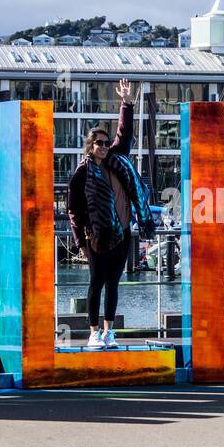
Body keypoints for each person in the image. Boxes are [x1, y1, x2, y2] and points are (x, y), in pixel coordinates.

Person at [68, 79, 156, 349]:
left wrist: (127, 103)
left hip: (122, 234)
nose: (105, 146)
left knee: (114, 285)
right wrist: (81, 243)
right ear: (90, 146)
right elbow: (74, 211)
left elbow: (124, 132)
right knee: (96, 283)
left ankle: (109, 332)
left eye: (106, 142)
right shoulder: (82, 173)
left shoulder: (118, 160)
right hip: (95, 236)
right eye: (99, 143)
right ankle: (93, 332)